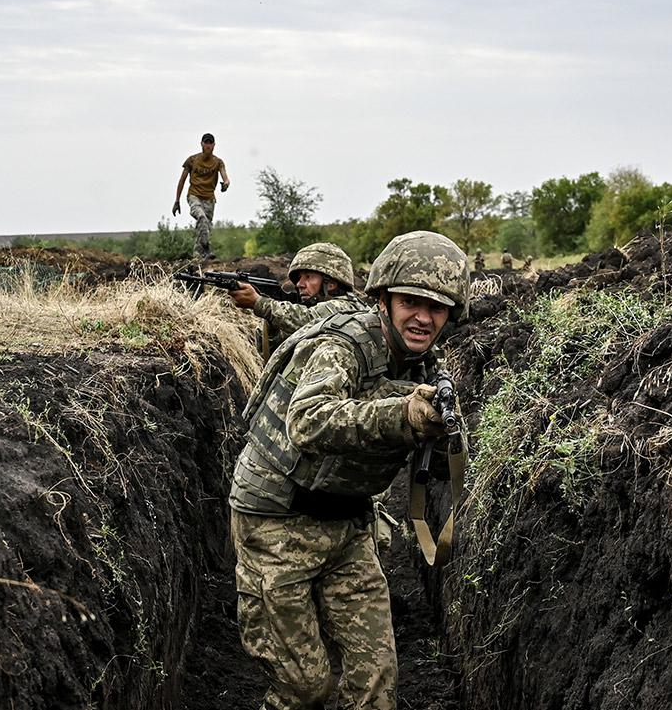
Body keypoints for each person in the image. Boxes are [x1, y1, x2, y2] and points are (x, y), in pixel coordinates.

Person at [229, 230, 470, 710]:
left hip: (348, 525)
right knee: (304, 689)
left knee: (375, 684)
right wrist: (400, 415)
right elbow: (308, 420)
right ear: (383, 299)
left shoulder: (427, 367)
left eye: (437, 307)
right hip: (277, 522)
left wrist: (440, 434)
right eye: (410, 301)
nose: (423, 317)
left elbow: (436, 466)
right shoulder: (344, 347)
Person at [227, 242, 366, 356]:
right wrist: (272, 324)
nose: (299, 284)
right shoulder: (313, 312)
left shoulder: (346, 307)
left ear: (330, 284)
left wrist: (260, 303)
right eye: (299, 278)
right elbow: (270, 351)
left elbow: (308, 318)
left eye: (308, 277)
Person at [173, 133, 230, 259]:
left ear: (214, 145)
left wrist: (226, 184)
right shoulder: (192, 160)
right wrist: (177, 201)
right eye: (206, 143)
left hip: (209, 199)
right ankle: (207, 249)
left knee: (205, 228)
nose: (208, 145)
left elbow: (225, 177)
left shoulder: (218, 162)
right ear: (201, 144)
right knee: (202, 218)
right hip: (194, 196)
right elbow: (182, 180)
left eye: (210, 143)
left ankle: (197, 257)